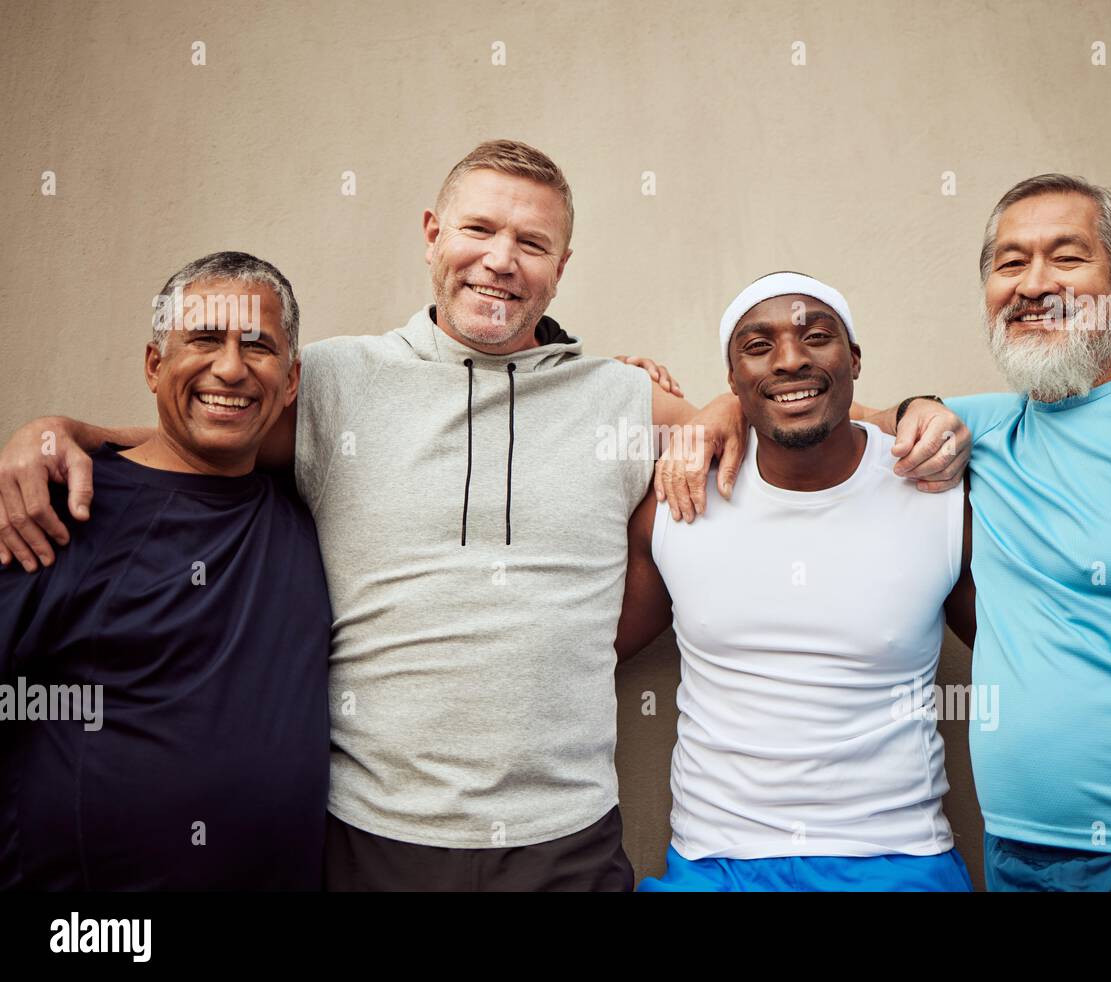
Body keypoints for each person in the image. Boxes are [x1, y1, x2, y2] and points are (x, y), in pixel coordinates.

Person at [0, 141, 969, 891]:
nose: (499, 262)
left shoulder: (615, 398)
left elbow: (784, 409)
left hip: (564, 836)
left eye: (531, 243)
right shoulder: (330, 380)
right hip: (369, 830)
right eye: (477, 231)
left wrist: (917, 413)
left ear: (560, 264)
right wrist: (62, 429)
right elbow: (202, 421)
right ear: (432, 232)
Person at [659, 175, 1111, 892]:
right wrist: (717, 411)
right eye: (1010, 263)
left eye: (1066, 257)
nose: (1032, 283)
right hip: (1022, 855)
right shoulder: (981, 432)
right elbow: (813, 403)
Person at [615, 272, 976, 891]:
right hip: (714, 864)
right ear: (730, 382)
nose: (791, 359)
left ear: (854, 359)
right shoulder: (678, 500)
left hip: (897, 861)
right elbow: (585, 649)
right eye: (759, 347)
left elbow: (1027, 655)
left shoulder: (939, 495)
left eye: (817, 337)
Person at [0, 251, 331, 890]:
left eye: (257, 347)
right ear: (155, 365)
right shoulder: (61, 509)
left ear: (290, 382)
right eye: (204, 339)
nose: (230, 368)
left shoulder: (308, 510)